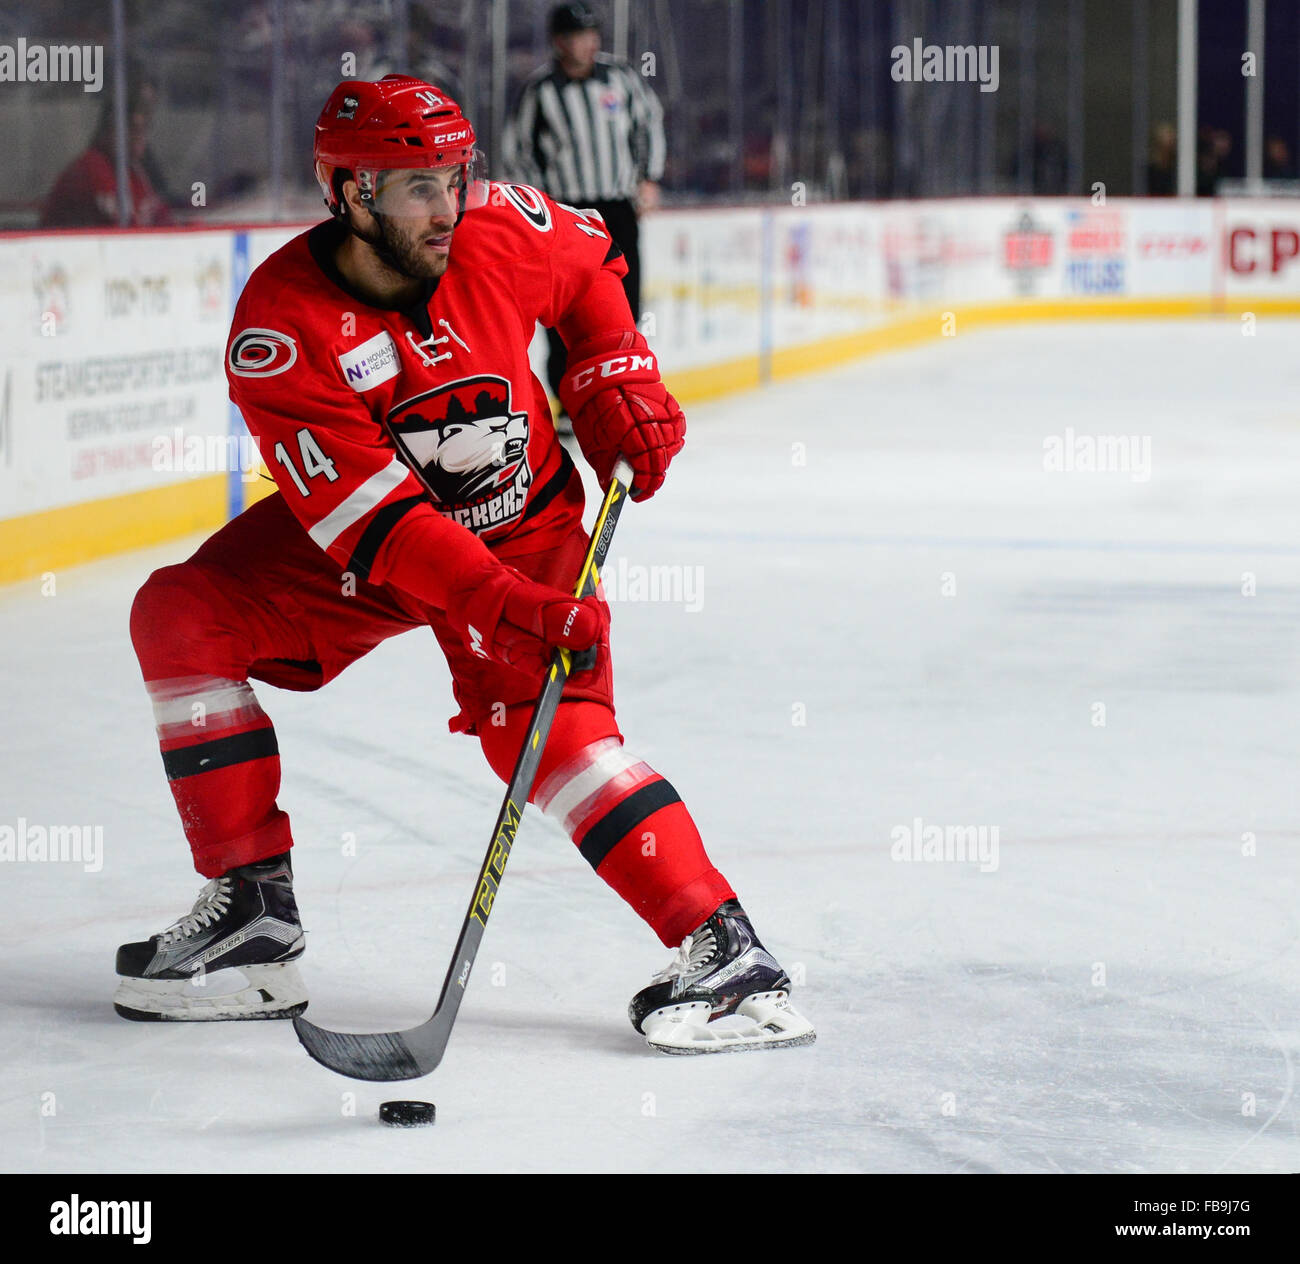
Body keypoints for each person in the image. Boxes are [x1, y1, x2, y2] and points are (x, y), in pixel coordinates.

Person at [114, 75, 813, 1056]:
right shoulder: (281, 330)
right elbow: (381, 527)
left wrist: (610, 367)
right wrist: (504, 605)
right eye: (413, 188)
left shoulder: (502, 224)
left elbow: (591, 269)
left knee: (551, 732)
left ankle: (728, 954)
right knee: (183, 612)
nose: (445, 207)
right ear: (348, 193)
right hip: (380, 551)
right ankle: (251, 917)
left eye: (452, 178)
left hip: (528, 525)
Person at [502, 1, 665, 404]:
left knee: (625, 304)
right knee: (564, 312)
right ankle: (569, 399)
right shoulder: (540, 91)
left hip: (616, 209)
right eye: (578, 36)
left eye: (593, 34)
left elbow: (649, 123)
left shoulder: (621, 78)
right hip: (566, 215)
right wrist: (537, 206)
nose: (588, 43)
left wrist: (649, 177)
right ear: (559, 42)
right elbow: (517, 150)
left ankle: (625, 393)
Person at [40, 75, 172, 228]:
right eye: (135, 128)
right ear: (112, 126)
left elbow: (162, 218)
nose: (141, 136)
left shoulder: (134, 172)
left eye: (146, 127)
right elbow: (125, 236)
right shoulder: (91, 171)